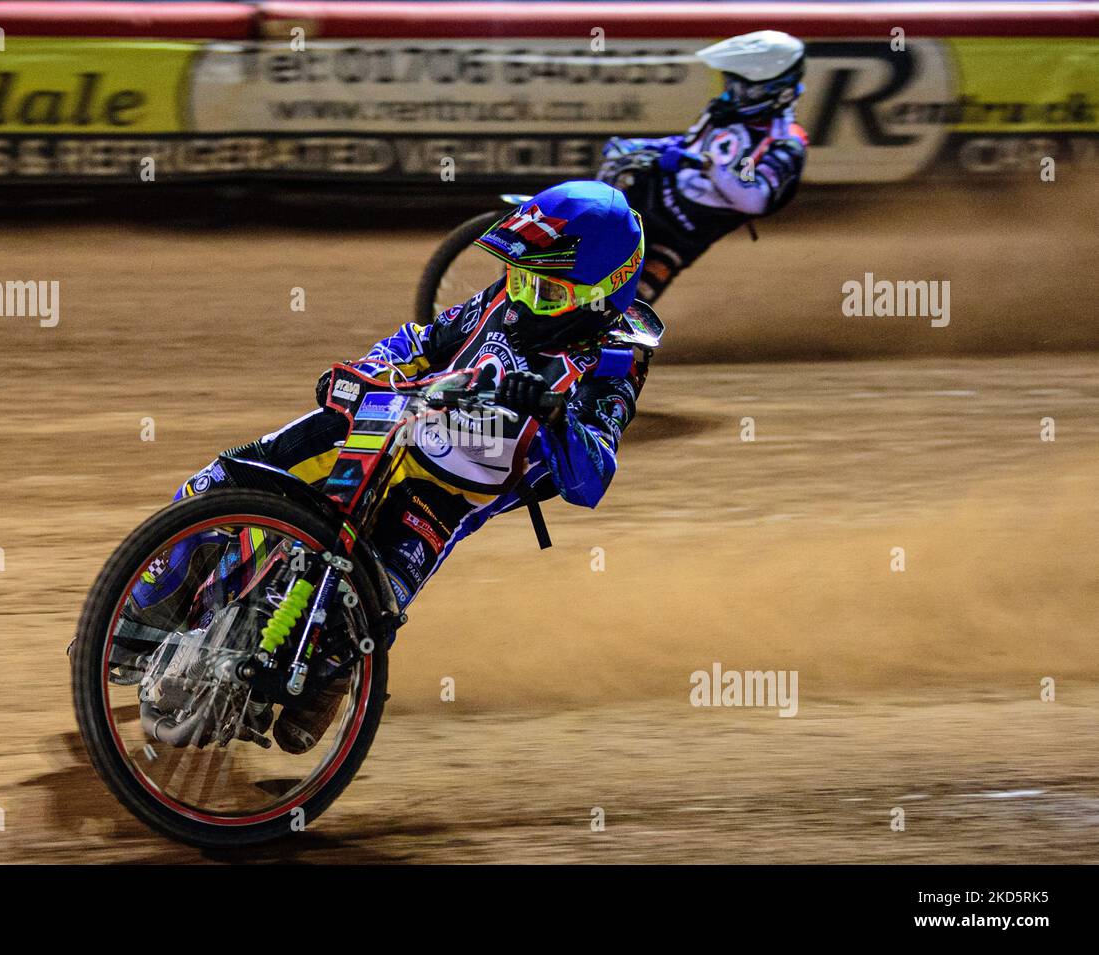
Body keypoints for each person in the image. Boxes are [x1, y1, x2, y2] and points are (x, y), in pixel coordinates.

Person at [146, 180, 660, 753]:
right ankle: (138, 612)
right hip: (386, 424)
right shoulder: (507, 296)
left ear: (599, 294)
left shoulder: (617, 360)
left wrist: (556, 416)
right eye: (518, 278)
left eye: (543, 289)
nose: (520, 296)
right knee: (220, 483)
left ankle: (314, 679)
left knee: (356, 627)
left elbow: (592, 480)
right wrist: (365, 371)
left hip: (447, 497)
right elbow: (424, 341)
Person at [598, 30, 810, 302]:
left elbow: (756, 198)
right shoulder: (723, 112)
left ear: (778, 90)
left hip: (678, 238)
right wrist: (642, 145)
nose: (735, 95)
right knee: (574, 249)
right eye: (733, 85)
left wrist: (708, 167)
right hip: (644, 201)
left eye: (745, 89)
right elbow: (688, 143)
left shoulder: (786, 141)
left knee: (627, 304)